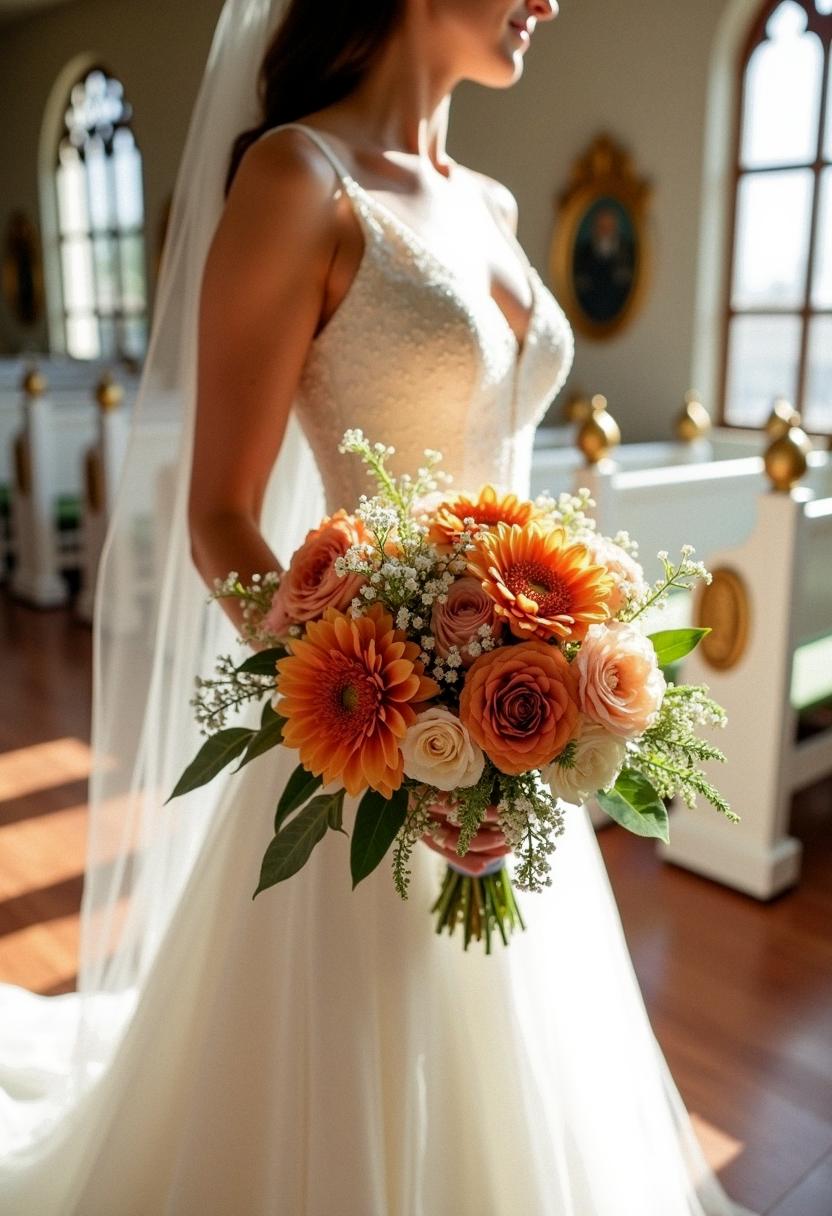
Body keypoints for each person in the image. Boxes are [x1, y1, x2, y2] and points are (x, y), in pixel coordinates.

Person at [0, 1, 757, 1212]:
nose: (549, 2)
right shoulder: (299, 177)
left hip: (515, 710)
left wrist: (548, 669)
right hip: (367, 735)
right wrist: (392, 730)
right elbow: (221, 519)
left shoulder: (497, 207)